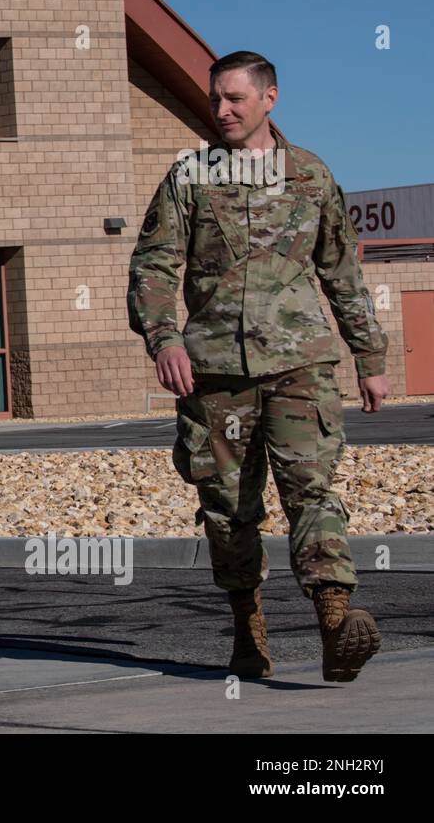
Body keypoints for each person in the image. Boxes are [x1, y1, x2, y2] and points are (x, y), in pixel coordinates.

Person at [128, 50, 388, 683]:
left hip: (301, 366)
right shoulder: (189, 175)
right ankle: (248, 628)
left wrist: (370, 357)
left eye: (235, 99)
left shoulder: (311, 175)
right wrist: (164, 339)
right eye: (216, 98)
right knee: (227, 510)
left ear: (270, 98)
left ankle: (335, 620)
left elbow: (342, 272)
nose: (222, 110)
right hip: (214, 373)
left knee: (312, 492)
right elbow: (154, 264)